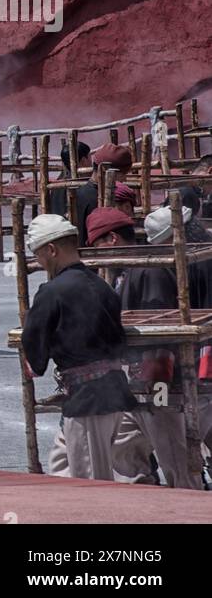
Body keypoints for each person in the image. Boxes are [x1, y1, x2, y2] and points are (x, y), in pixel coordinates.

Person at [85, 207, 198, 489]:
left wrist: (158, 387)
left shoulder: (148, 271)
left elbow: (159, 330)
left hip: (155, 382)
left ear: (111, 240)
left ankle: (190, 506)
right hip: (135, 383)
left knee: (173, 454)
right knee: (124, 446)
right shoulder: (134, 270)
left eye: (98, 245)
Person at [21, 214, 136, 480]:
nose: (38, 261)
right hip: (111, 388)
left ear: (51, 250)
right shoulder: (101, 285)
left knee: (89, 479)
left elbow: (34, 343)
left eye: (38, 254)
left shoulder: (52, 291)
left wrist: (35, 360)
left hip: (89, 399)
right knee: (62, 465)